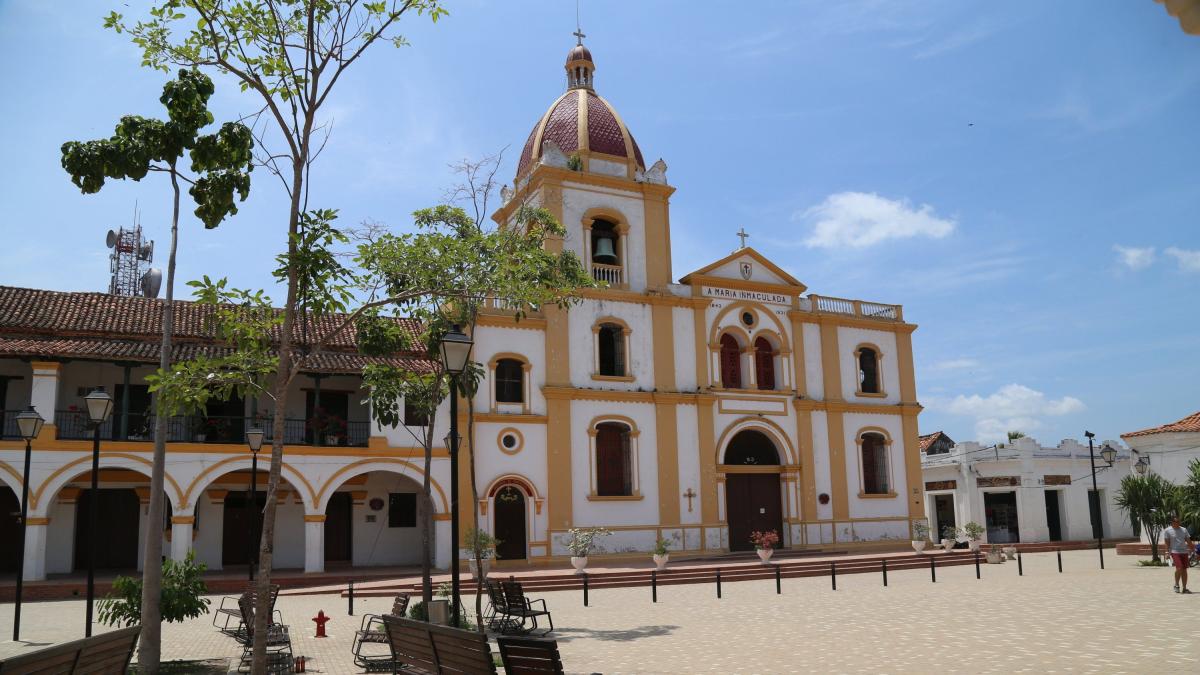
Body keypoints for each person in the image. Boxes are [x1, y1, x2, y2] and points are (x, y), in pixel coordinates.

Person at [1163, 515, 1193, 593]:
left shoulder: (1184, 530)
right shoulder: (1167, 530)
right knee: (1179, 568)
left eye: (1179, 521)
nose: (1178, 523)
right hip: (1174, 551)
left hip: (1184, 551)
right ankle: (1176, 584)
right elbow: (1166, 542)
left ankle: (1184, 588)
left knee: (1184, 570)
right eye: (1176, 522)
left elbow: (1188, 541)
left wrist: (1193, 550)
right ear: (1172, 522)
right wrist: (1166, 552)